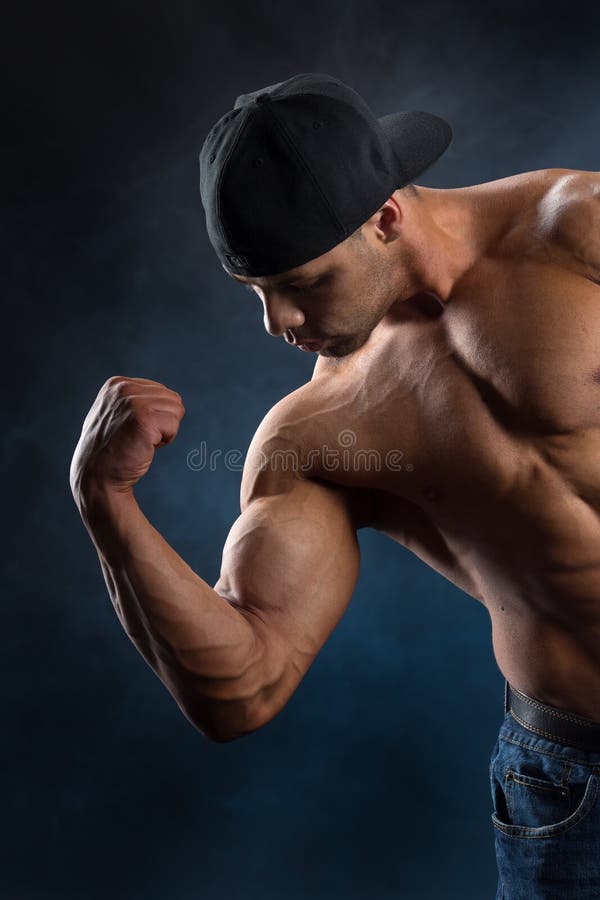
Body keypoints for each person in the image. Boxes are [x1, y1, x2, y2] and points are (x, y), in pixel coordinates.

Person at [70, 73, 600, 897]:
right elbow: (243, 685)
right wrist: (105, 503)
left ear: (385, 216)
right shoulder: (318, 434)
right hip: (575, 777)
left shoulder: (578, 231)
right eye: (257, 290)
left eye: (302, 282)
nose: (277, 322)